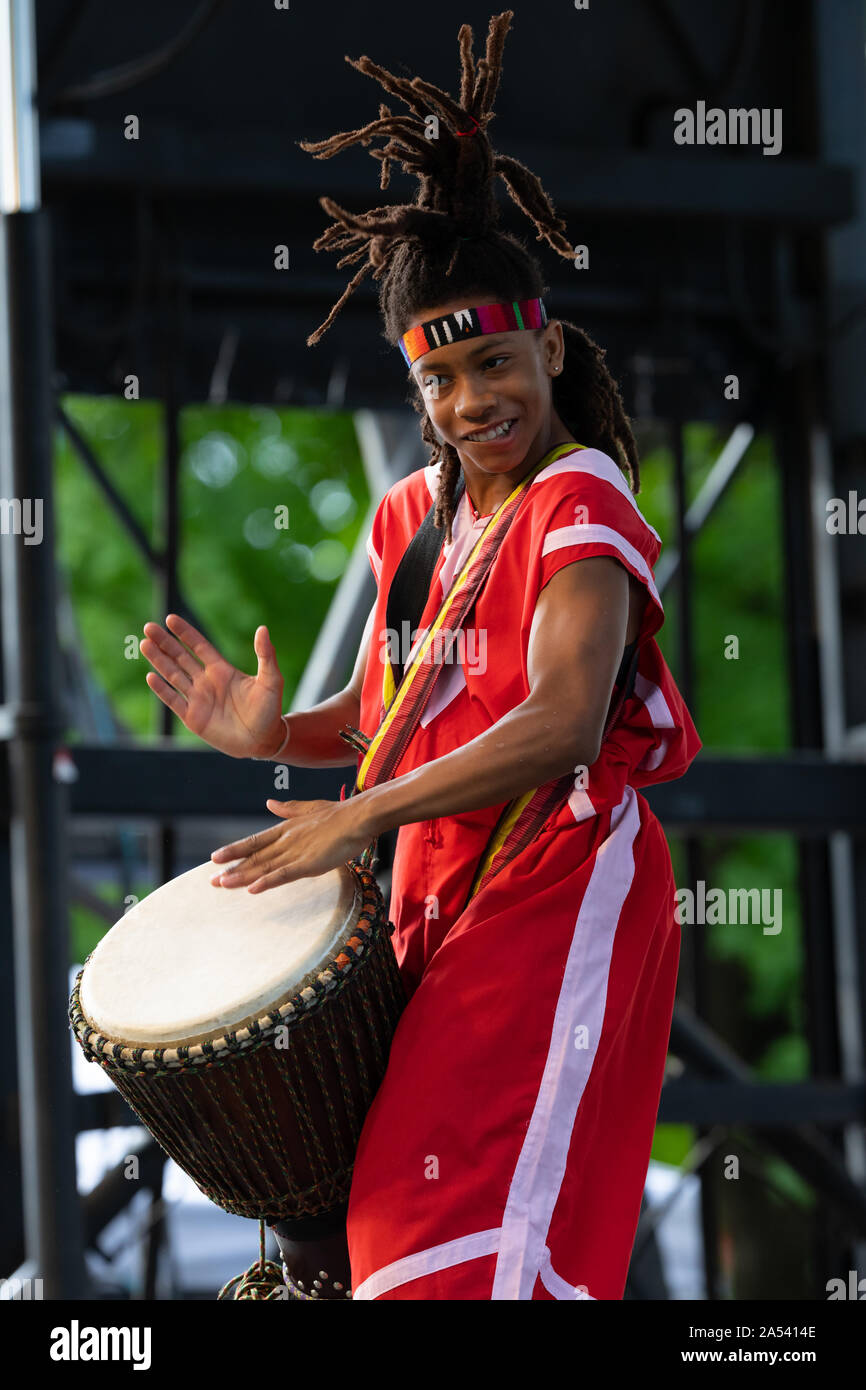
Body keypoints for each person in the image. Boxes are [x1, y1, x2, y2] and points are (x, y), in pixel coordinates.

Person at [141, 11, 701, 1300]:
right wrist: (275, 733)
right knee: (392, 1231)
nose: (472, 404)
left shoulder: (581, 501)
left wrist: (358, 820)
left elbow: (560, 720)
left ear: (550, 346)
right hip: (434, 895)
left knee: (478, 1236)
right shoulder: (413, 519)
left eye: (497, 363)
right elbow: (403, 711)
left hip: (556, 880)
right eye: (440, 383)